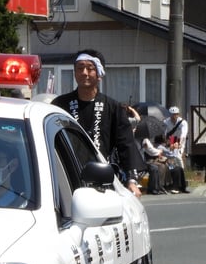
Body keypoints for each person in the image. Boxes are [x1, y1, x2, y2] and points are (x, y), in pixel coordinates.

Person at [51, 50, 143, 196]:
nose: (84, 73)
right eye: (80, 68)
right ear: (75, 73)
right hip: (66, 176)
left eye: (90, 68)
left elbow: (126, 144)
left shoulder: (113, 107)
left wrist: (132, 180)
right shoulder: (60, 104)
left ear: (99, 74)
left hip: (103, 176)